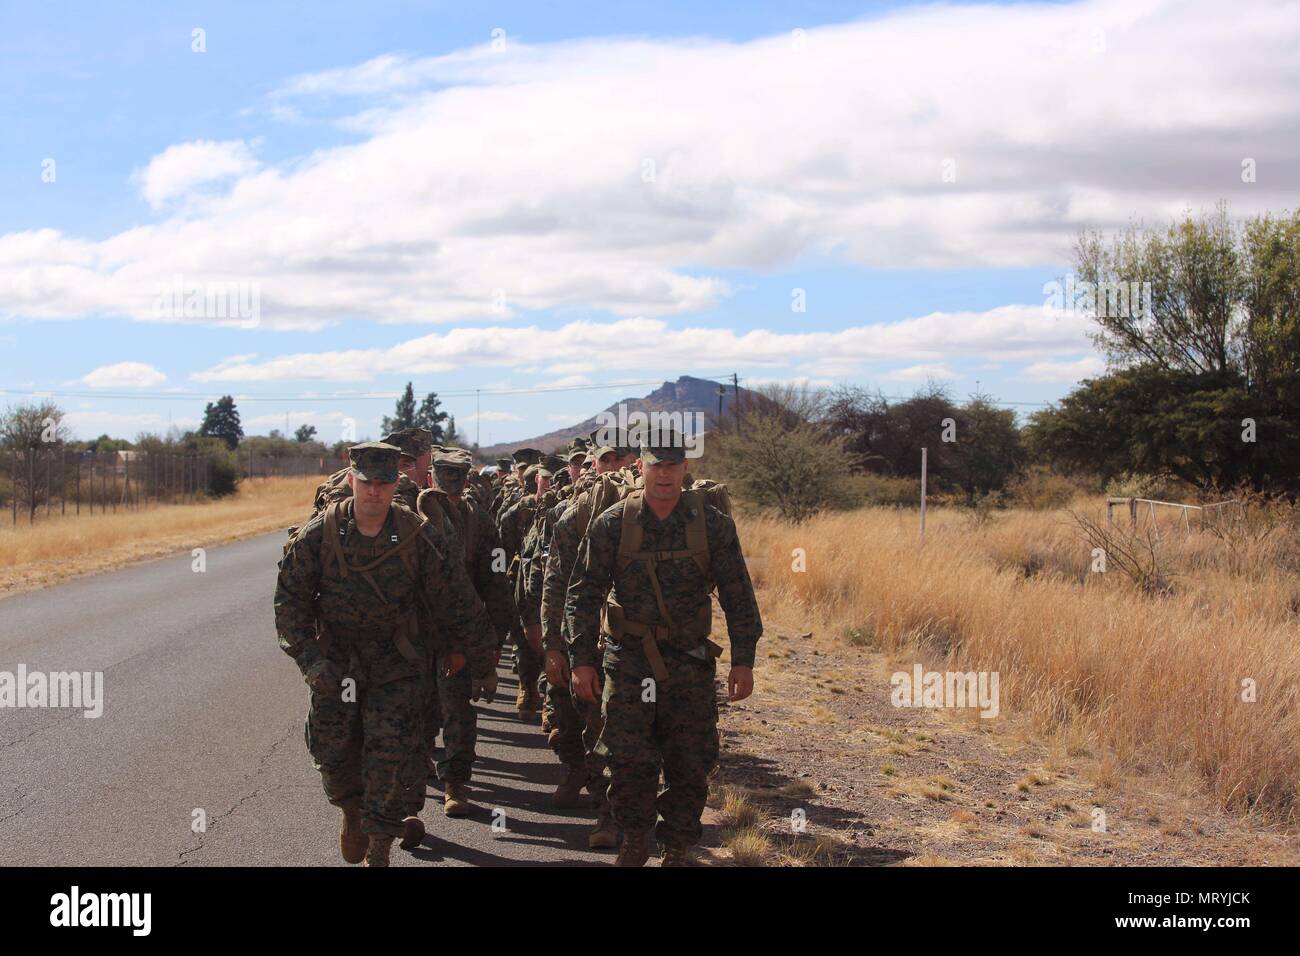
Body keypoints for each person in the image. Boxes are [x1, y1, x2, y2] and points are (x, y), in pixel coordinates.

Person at [275, 442, 485, 866]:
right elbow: (290, 604)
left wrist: (470, 654)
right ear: (351, 481)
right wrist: (311, 661)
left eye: (383, 483)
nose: (374, 492)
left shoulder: (417, 534)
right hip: (337, 662)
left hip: (398, 662)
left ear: (395, 484)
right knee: (333, 754)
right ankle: (352, 811)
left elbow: (454, 598)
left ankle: (379, 848)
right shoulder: (320, 534)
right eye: (366, 483)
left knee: (390, 756)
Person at [566, 431, 762, 866]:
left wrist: (744, 661)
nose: (665, 474)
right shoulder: (613, 523)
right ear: (641, 467)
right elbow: (583, 595)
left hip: (690, 662)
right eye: (656, 465)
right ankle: (635, 839)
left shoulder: (712, 525)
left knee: (690, 761)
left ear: (686, 469)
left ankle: (676, 847)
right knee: (628, 757)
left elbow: (739, 597)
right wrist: (582, 660)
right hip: (629, 659)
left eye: (673, 465)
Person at [416, 447, 516, 816]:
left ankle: (454, 782)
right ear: (432, 476)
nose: (452, 483)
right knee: (415, 708)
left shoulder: (481, 523)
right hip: (415, 633)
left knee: (457, 709)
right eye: (445, 474)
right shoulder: (410, 517)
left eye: (458, 475)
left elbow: (495, 582)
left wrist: (492, 641)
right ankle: (415, 772)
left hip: (459, 629)